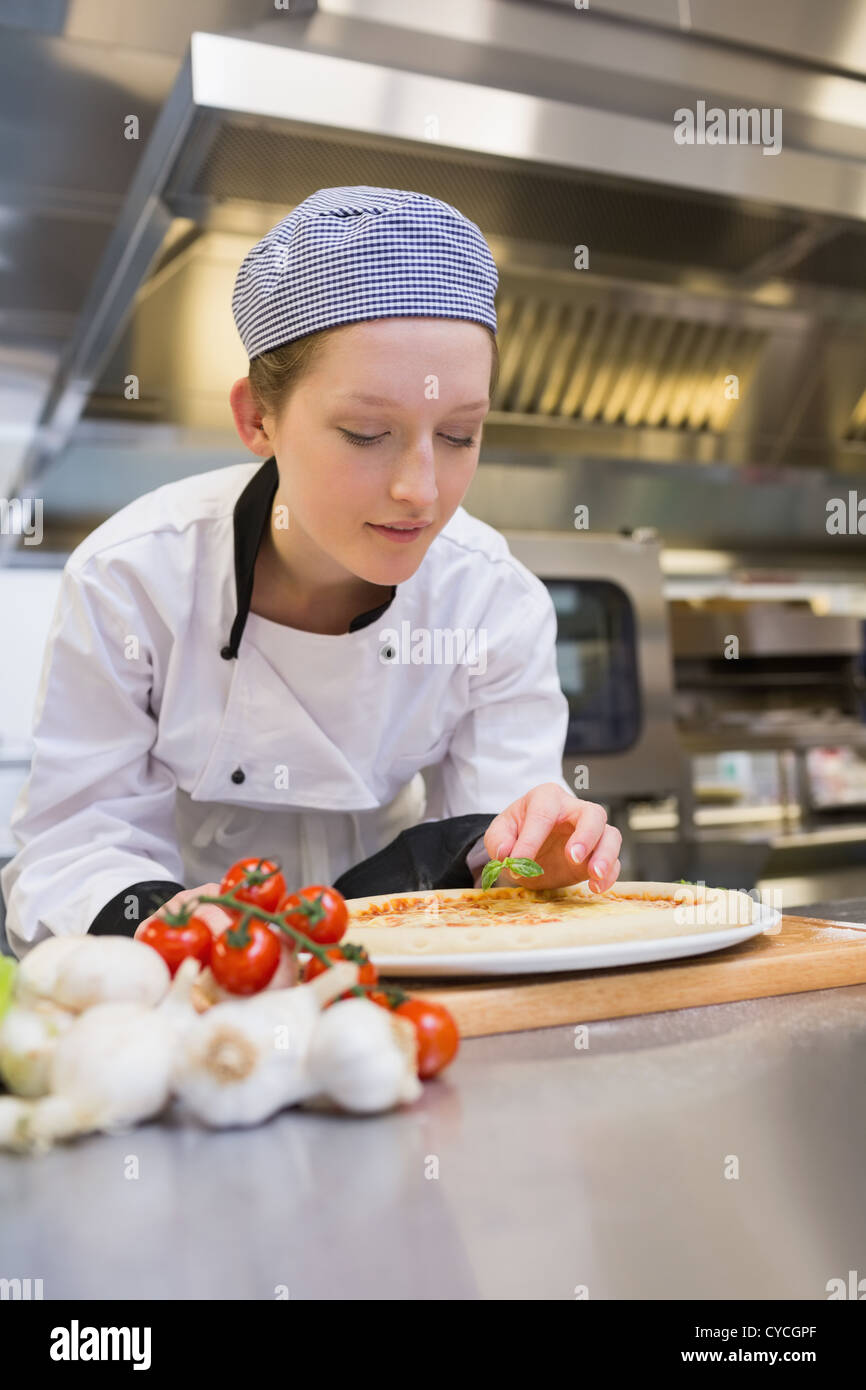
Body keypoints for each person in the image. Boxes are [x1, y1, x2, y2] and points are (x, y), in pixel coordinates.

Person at [1, 186, 622, 958]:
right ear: (256, 419)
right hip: (182, 985)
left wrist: (542, 853)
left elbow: (500, 848)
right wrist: (163, 918)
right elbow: (71, 846)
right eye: (367, 433)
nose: (421, 491)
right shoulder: (134, 578)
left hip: (403, 976)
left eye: (460, 434)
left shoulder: (491, 601)